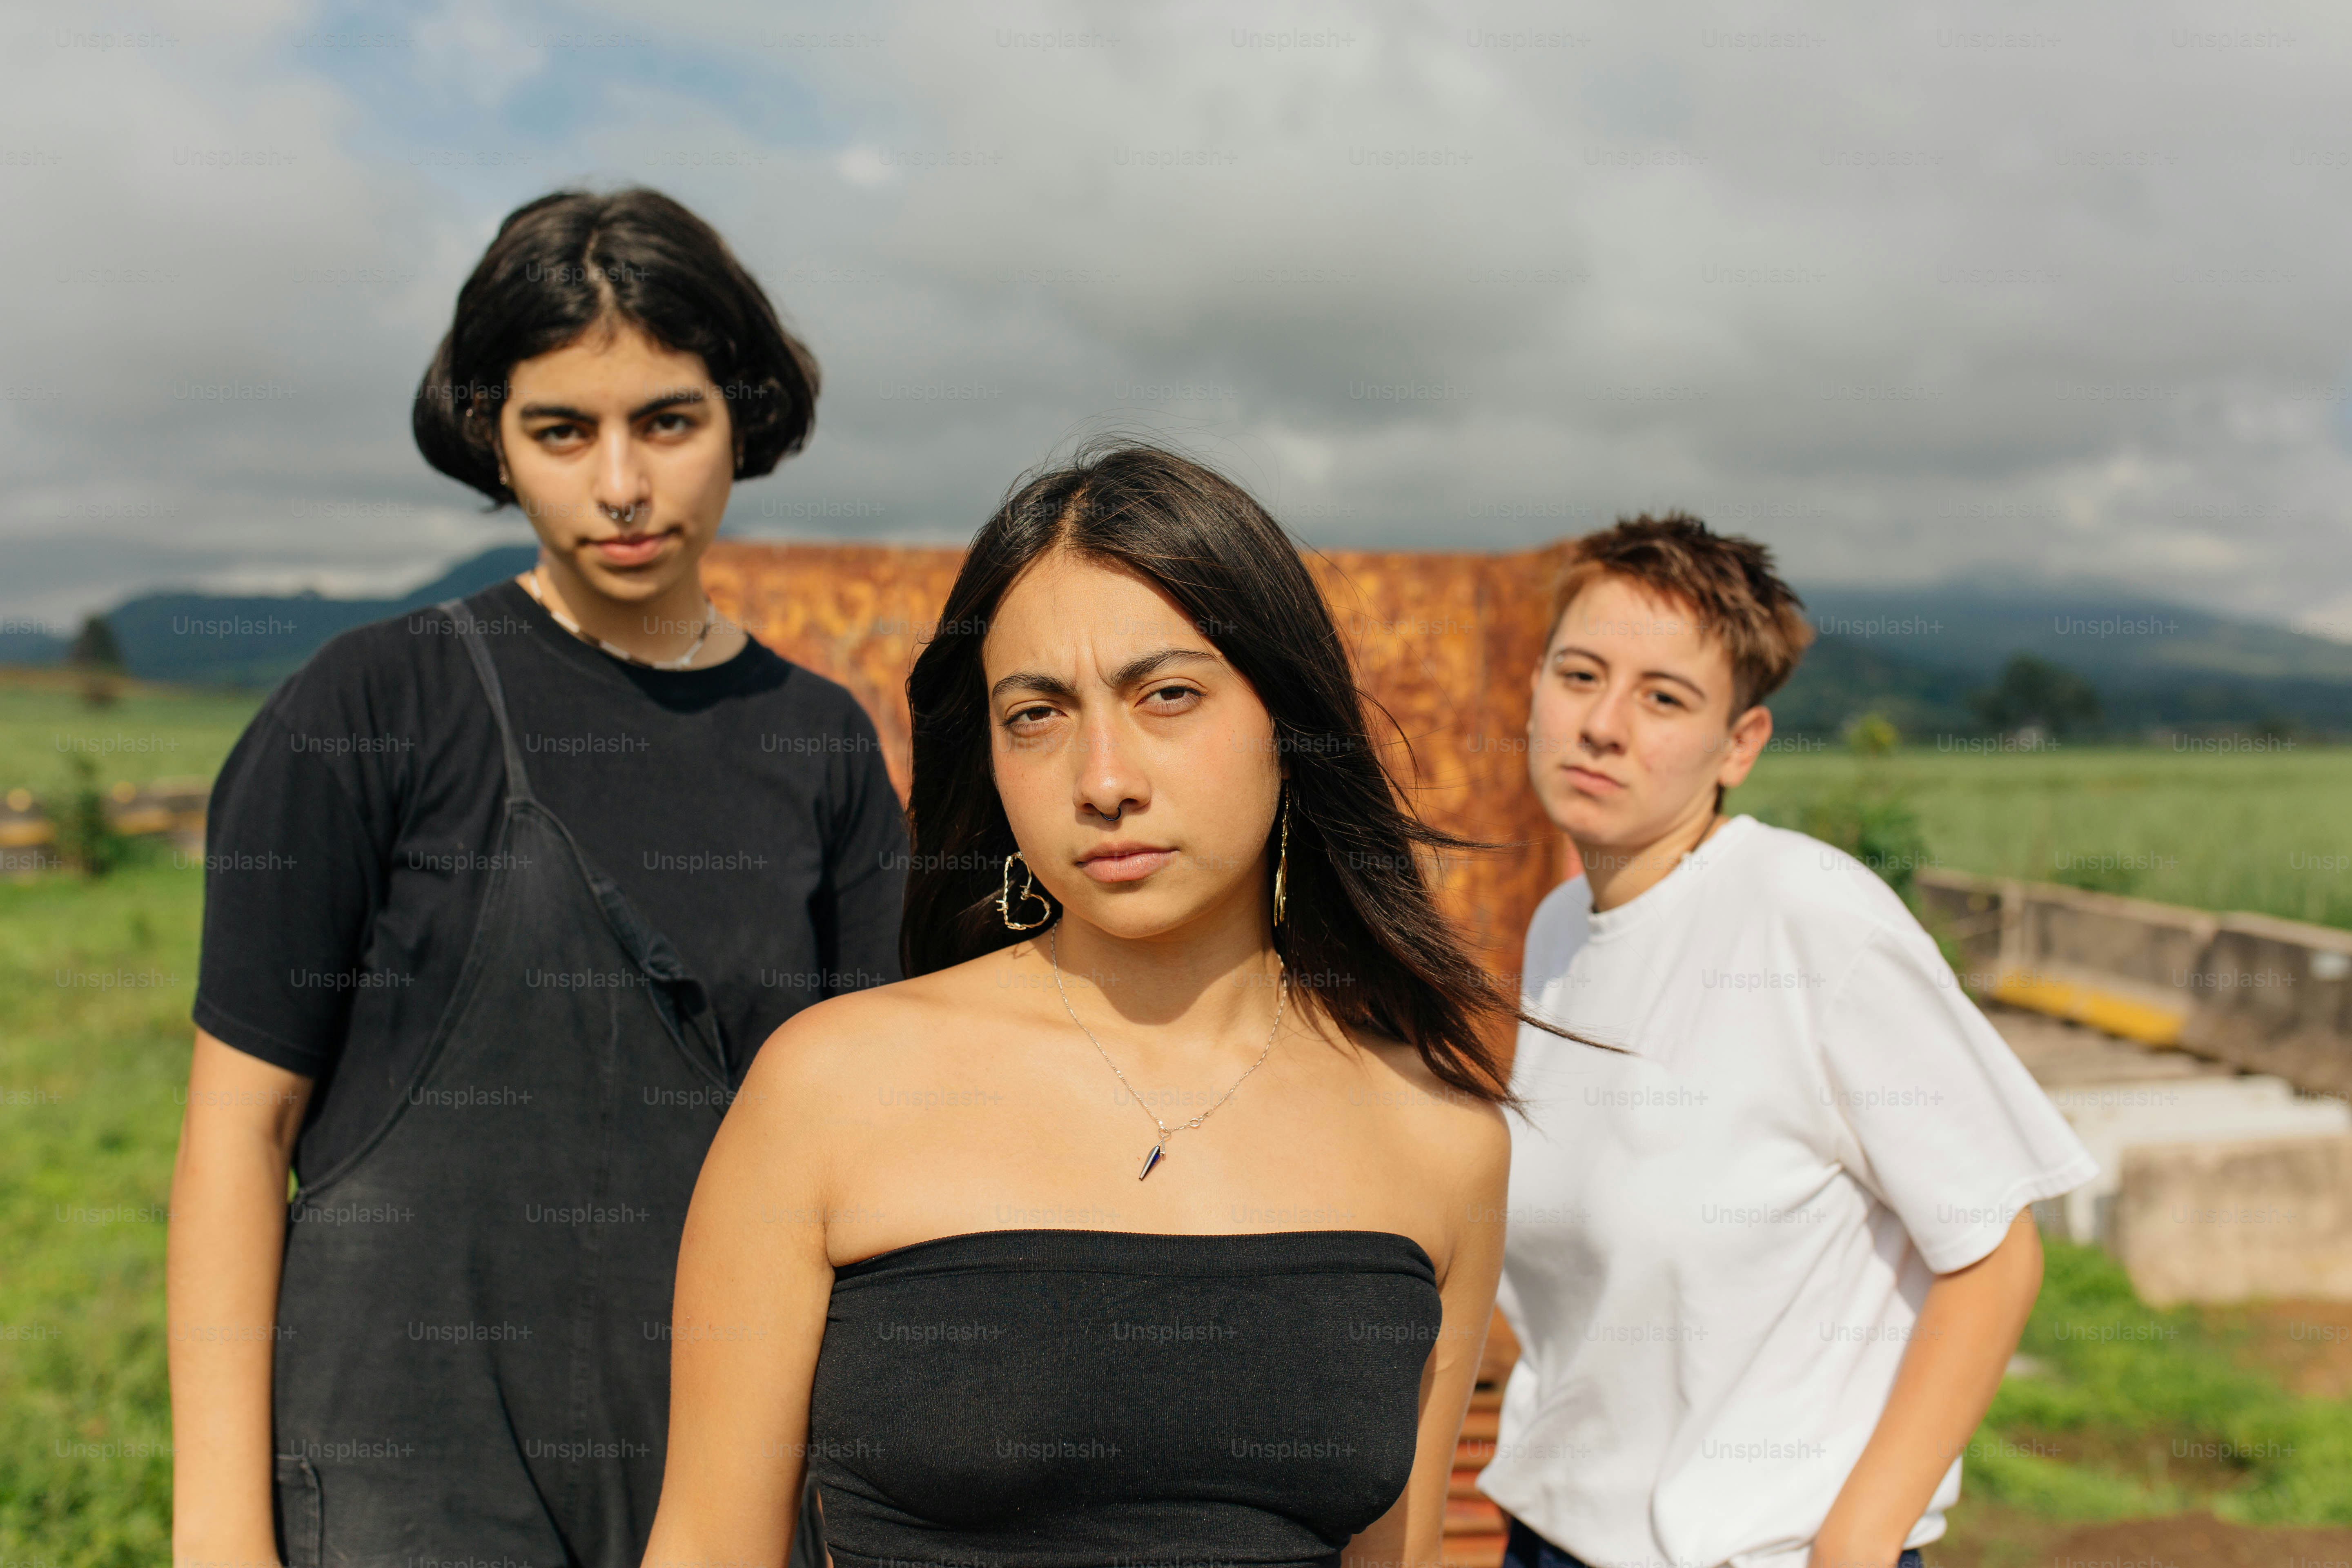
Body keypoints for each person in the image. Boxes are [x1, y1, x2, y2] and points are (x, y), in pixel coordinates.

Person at [166, 187, 904, 1568]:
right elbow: (235, 1135)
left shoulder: (820, 748)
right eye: (561, 430)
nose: (620, 485)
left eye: (668, 421)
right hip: (402, 1483)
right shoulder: (372, 706)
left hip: (720, 1494)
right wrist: (217, 1537)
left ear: (741, 416)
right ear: (494, 444)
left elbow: (868, 1164)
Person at [641, 443, 1545, 1568]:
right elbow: (709, 1544)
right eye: (1037, 715)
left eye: (1168, 696)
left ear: (1290, 721)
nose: (1104, 779)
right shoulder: (831, 1090)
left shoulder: (1440, 1139)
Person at [1478, 513, 2096, 1568]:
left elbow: (1995, 1253)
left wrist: (1858, 1540)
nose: (1604, 725)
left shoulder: (1809, 920)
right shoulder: (1560, 928)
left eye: (1664, 698)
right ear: (1535, 687)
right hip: (1553, 1535)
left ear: (1740, 747)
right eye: (1580, 676)